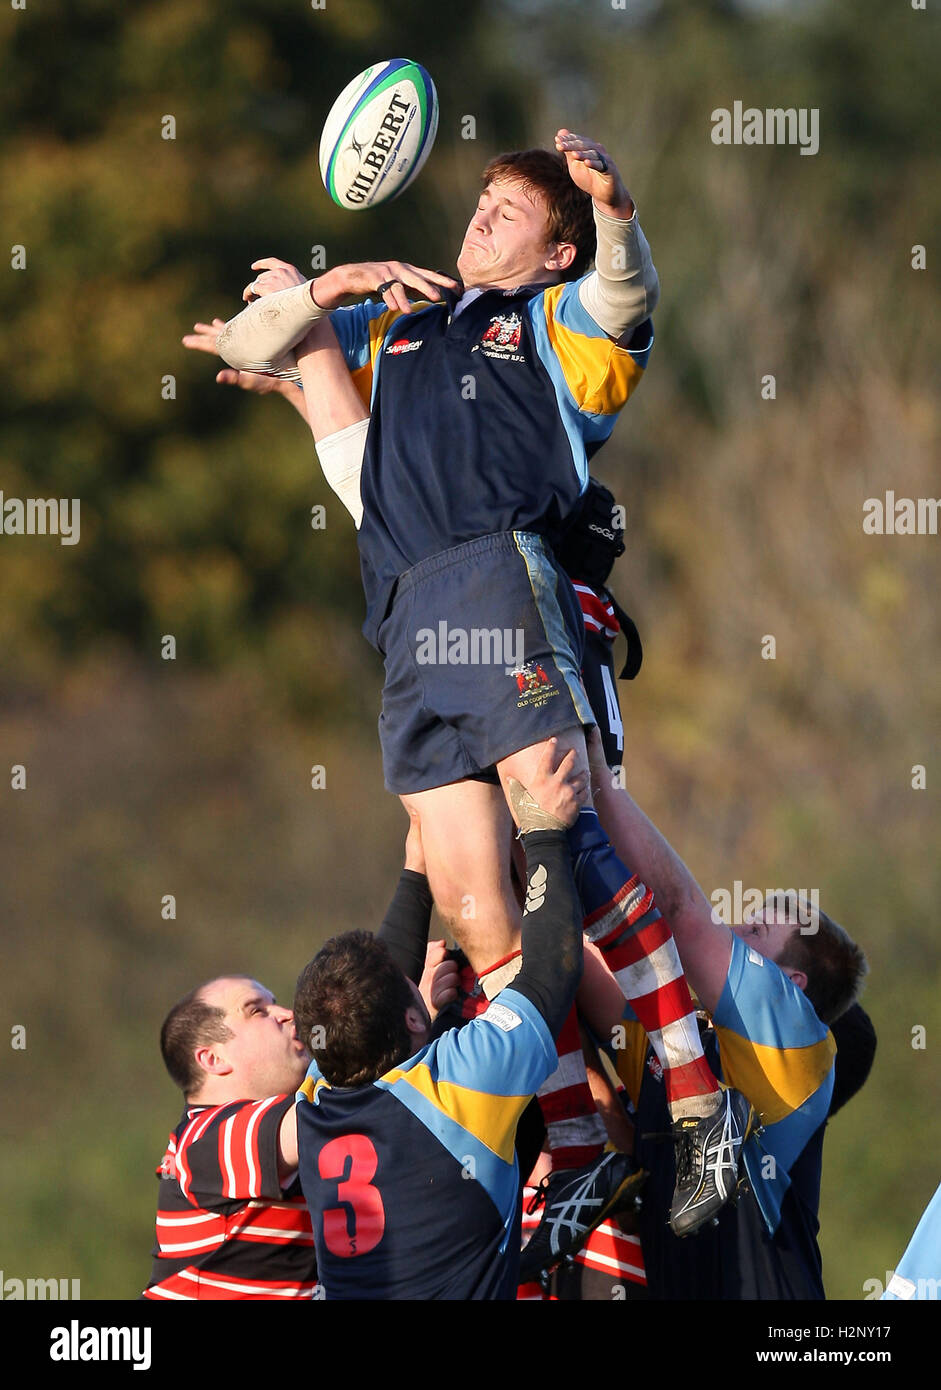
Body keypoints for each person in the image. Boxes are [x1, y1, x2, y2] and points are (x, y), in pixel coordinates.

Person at [212, 132, 749, 1235]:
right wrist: (332, 285)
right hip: (402, 611)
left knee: (572, 834)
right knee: (470, 905)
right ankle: (572, 1138)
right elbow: (250, 340)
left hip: (491, 575)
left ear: (553, 252)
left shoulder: (551, 326)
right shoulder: (406, 320)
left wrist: (612, 207)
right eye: (484, 199)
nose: (483, 219)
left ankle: (697, 1104)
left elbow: (622, 289)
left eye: (513, 211)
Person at [567, 736, 870, 1297]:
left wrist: (588, 761)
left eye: (753, 934)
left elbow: (677, 911)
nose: (730, 934)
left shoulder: (797, 1049)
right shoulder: (681, 1039)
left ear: (790, 988)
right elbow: (569, 962)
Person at [292, 743, 592, 1299]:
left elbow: (367, 993)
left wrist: (416, 871)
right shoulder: (457, 1088)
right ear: (412, 1018)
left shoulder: (316, 1097)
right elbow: (552, 972)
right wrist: (545, 832)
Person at [143, 975, 317, 1300]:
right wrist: (380, 1020)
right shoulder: (206, 1138)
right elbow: (327, 1118)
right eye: (256, 1011)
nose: (287, 1013)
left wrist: (411, 1013)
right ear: (213, 1059)